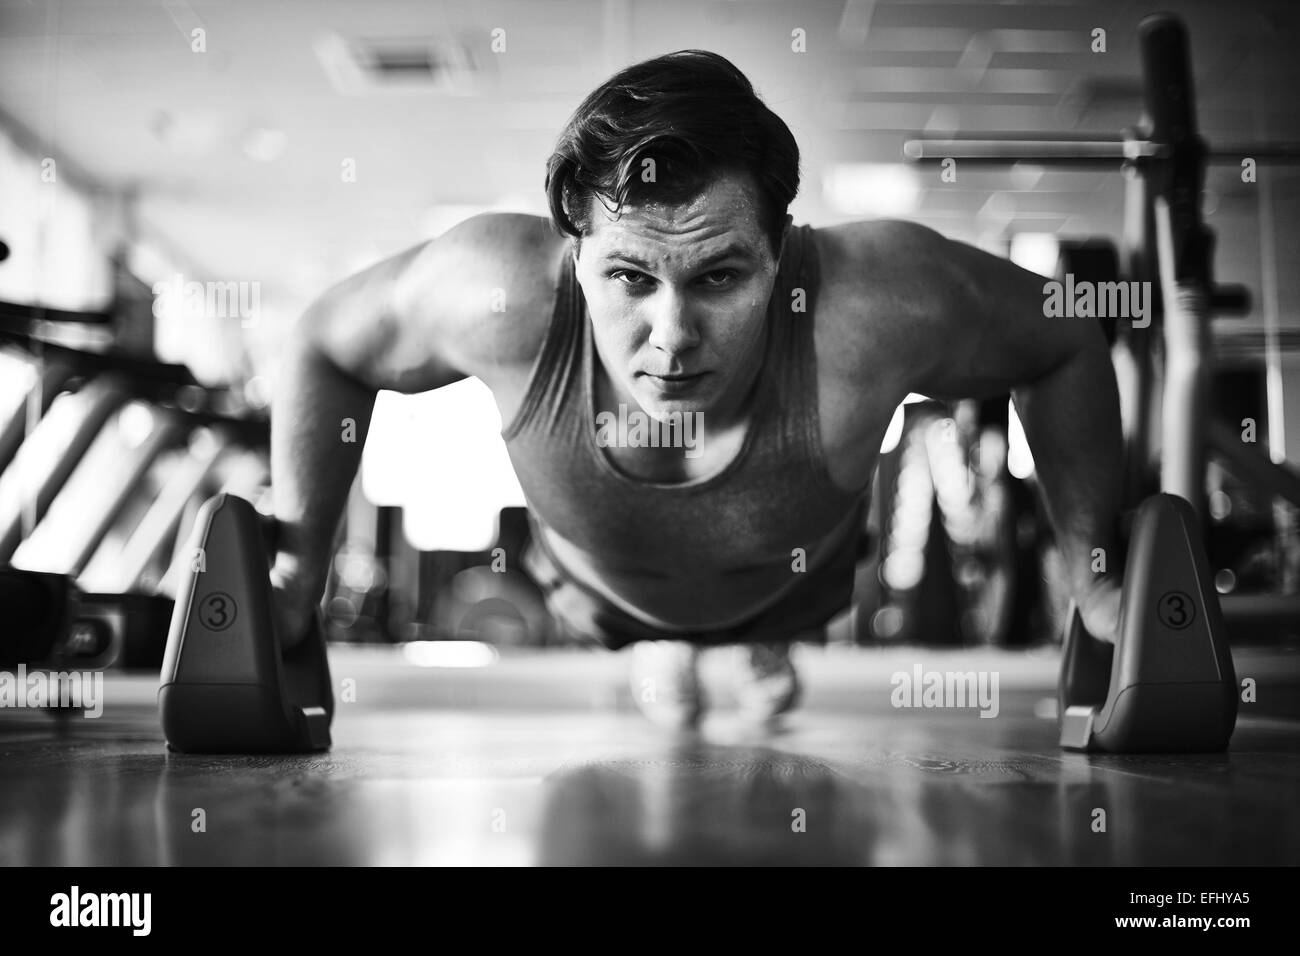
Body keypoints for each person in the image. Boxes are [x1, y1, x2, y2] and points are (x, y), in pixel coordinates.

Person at [268, 50, 1124, 728]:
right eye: (630, 277)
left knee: (758, 653)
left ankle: (753, 647)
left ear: (780, 249)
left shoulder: (875, 300)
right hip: (601, 600)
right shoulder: (496, 291)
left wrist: (1094, 574)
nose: (672, 336)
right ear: (575, 252)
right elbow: (322, 344)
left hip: (794, 589)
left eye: (719, 277)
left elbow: (1062, 338)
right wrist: (300, 569)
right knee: (658, 655)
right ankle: (657, 646)